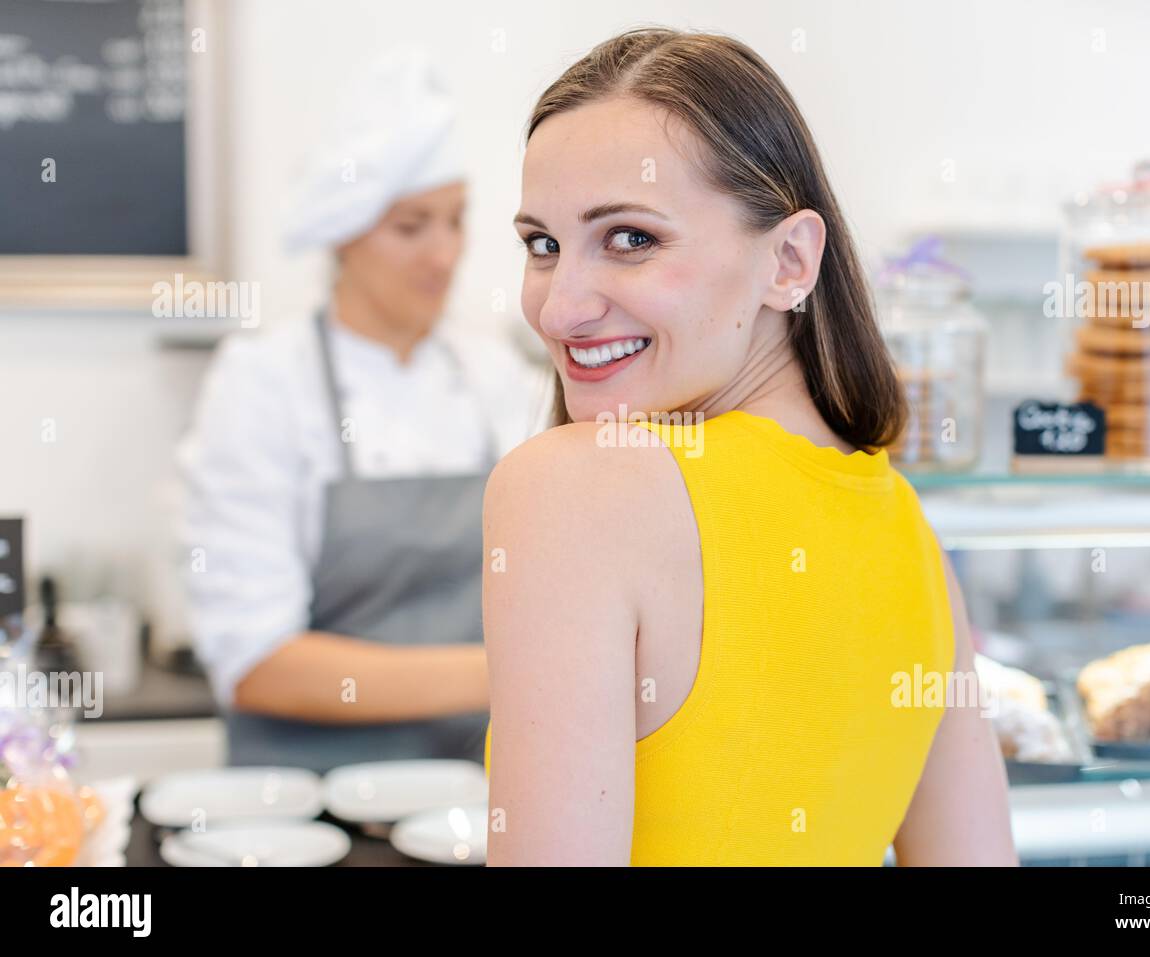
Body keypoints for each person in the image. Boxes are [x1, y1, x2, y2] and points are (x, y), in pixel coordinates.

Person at [480, 28, 1017, 865]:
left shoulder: (570, 488)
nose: (558, 309)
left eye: (630, 238)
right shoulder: (905, 529)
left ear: (790, 261)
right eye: (542, 245)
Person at [176, 49, 546, 772]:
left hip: (472, 799)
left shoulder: (495, 374)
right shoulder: (262, 384)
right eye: (412, 227)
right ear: (344, 233)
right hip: (301, 811)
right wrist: (517, 675)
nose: (444, 255)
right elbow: (255, 660)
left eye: (458, 220)